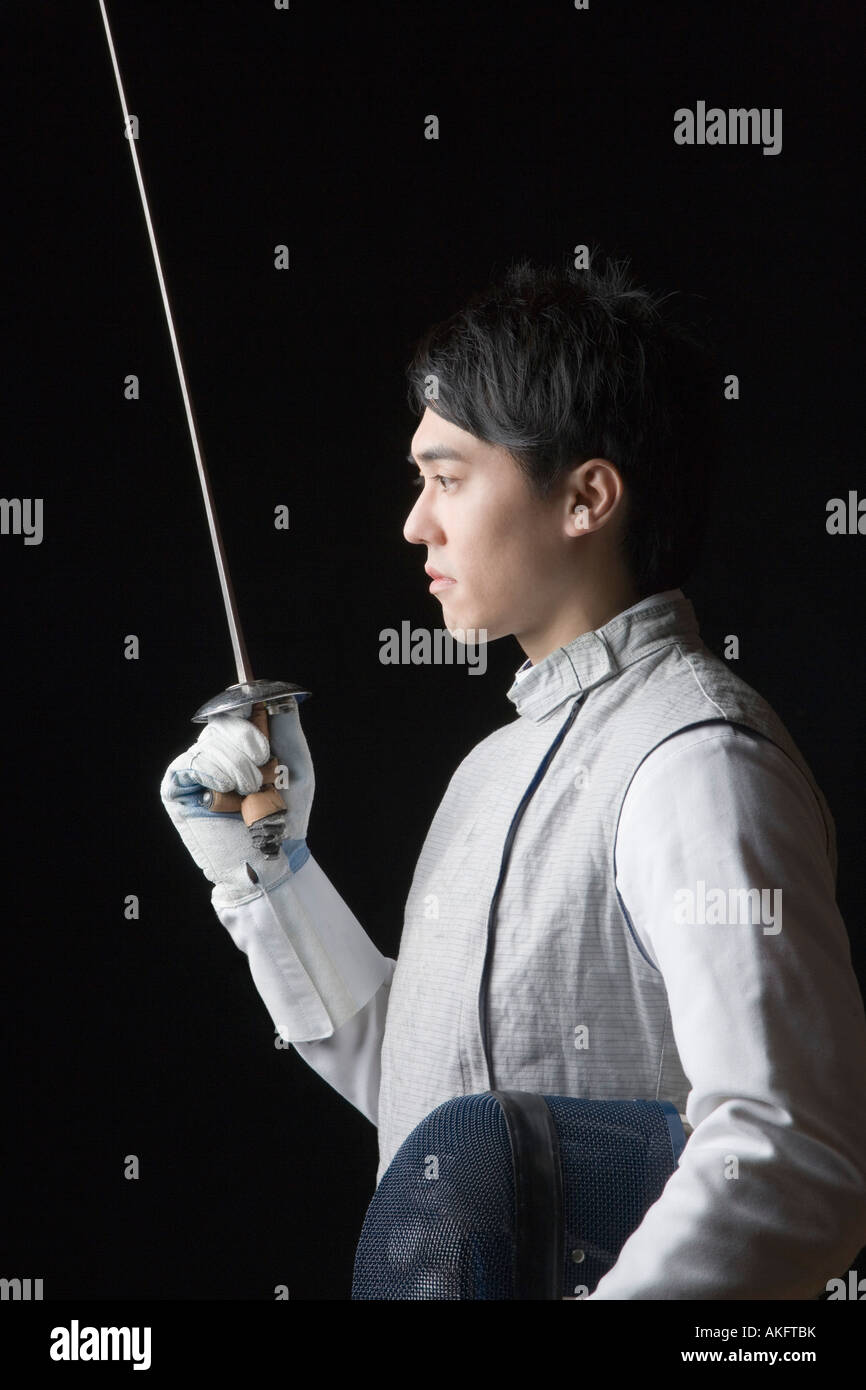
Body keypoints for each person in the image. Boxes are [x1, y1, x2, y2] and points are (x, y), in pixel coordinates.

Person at [161, 255, 866, 1298]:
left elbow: (788, 1153)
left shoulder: (693, 762)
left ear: (585, 496)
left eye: (447, 478)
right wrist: (271, 879)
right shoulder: (489, 769)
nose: (415, 523)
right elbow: (432, 1101)